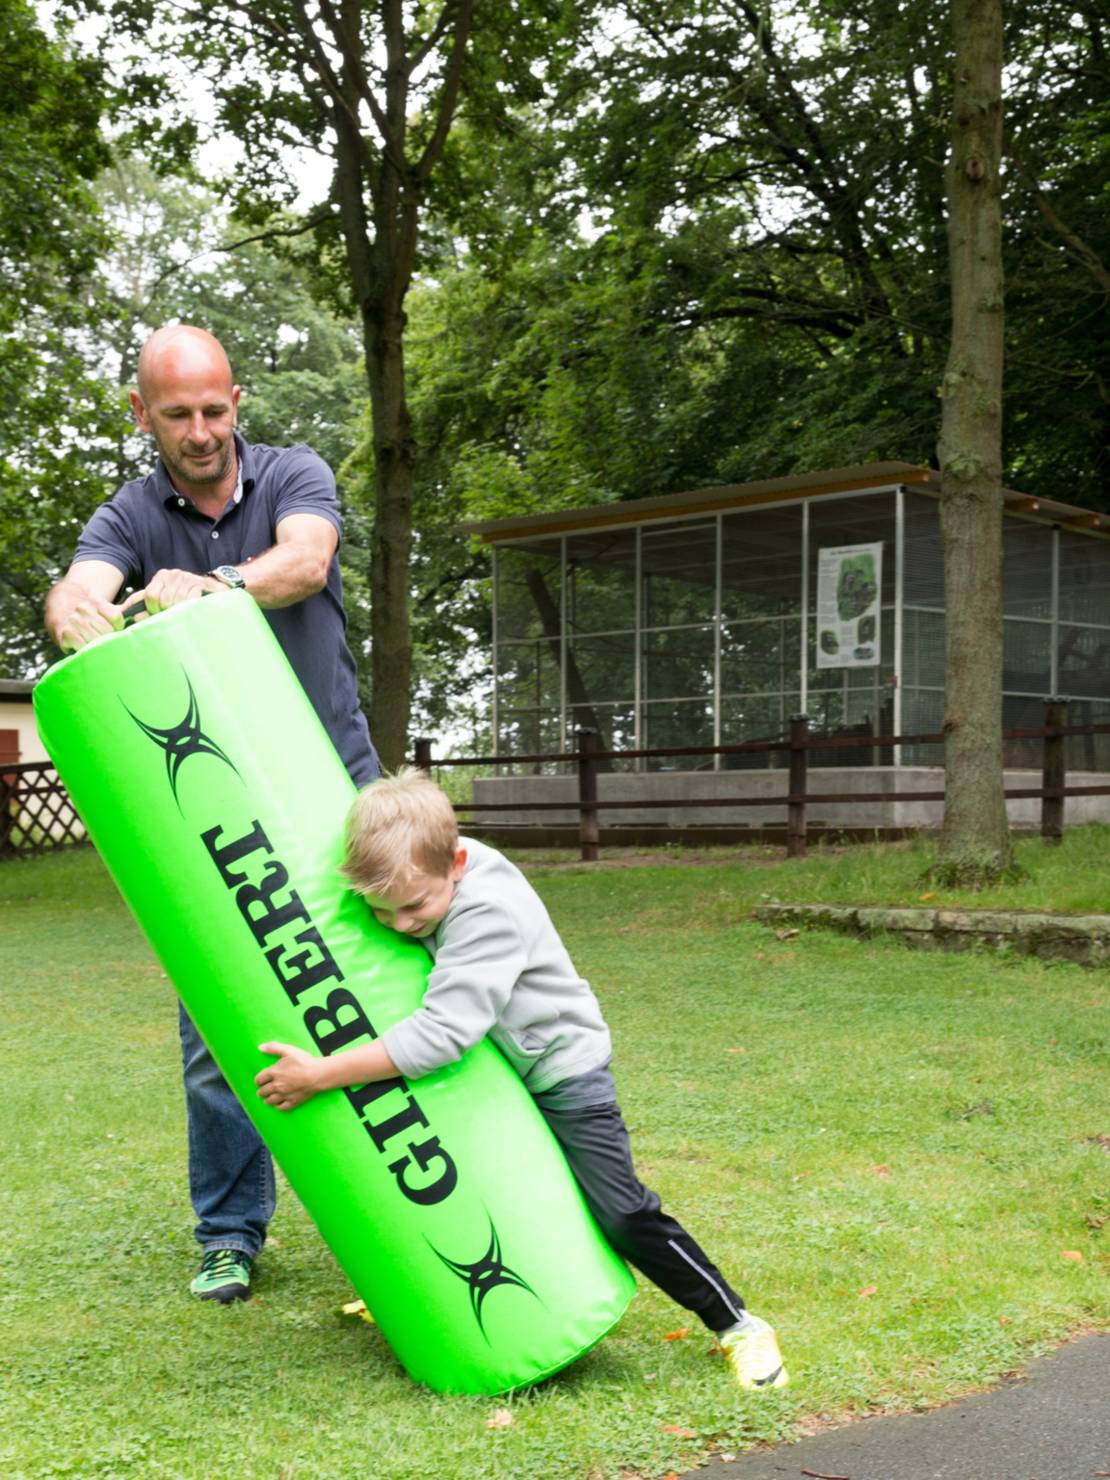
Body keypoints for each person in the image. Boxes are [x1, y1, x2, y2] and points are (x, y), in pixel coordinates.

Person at [254, 768, 788, 1391]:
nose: (399, 924)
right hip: (495, 1070)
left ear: (455, 863)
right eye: (381, 912)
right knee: (466, 1181)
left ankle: (737, 1323)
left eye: (413, 907)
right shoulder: (428, 869)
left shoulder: (488, 911)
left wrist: (322, 1074)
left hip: (561, 1069)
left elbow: (441, 1034)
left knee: (619, 1212)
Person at [44, 324, 379, 1305]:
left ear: (238, 404)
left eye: (214, 410)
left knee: (390, 980)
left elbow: (304, 563)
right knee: (219, 1019)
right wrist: (75, 610)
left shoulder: (292, 475)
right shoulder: (128, 514)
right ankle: (231, 1233)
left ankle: (414, 1199)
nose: (200, 431)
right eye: (177, 414)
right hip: (213, 806)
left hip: (331, 777)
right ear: (143, 414)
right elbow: (80, 589)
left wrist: (213, 587)